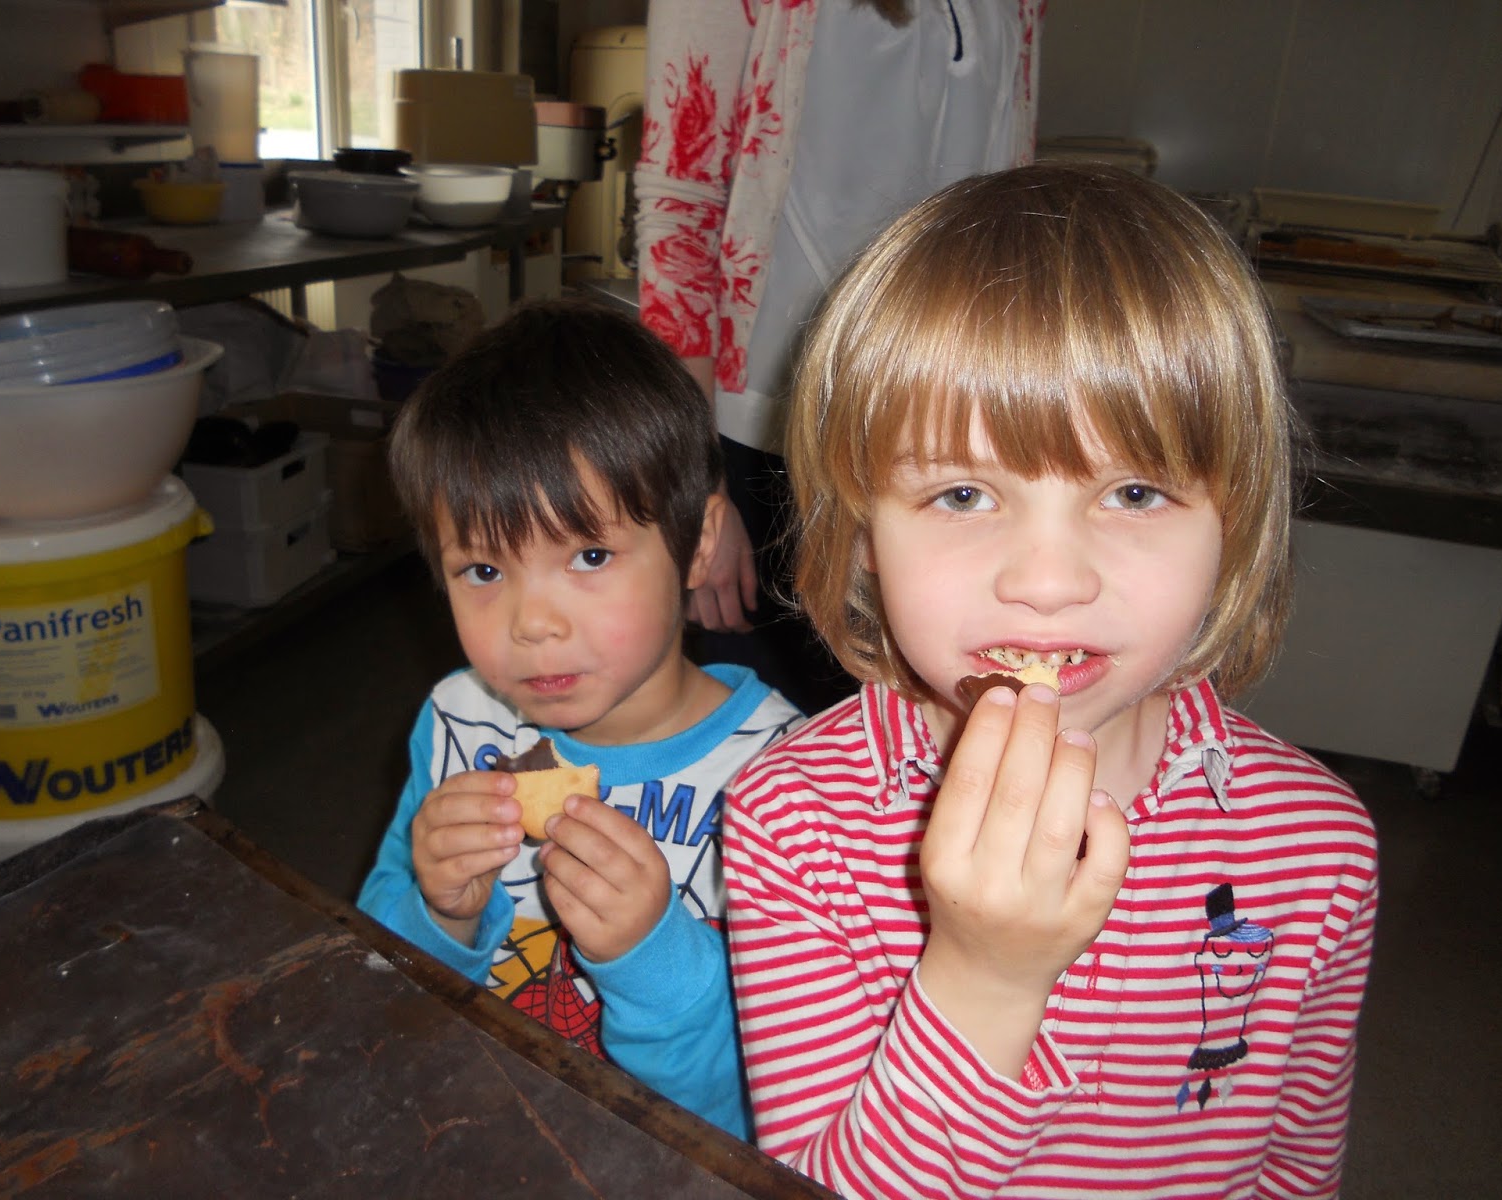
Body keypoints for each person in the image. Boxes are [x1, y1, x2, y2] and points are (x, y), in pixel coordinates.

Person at [722, 163, 1380, 1197]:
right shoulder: (790, 822)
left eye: (1131, 490)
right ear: (858, 540)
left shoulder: (1318, 846)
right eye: (959, 493)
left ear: (1234, 531)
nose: (1046, 582)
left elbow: (1297, 1161)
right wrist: (984, 977)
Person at [358, 299, 803, 1139]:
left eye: (589, 556)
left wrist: (651, 954)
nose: (532, 623)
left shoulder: (784, 778)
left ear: (701, 542)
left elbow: (772, 1108)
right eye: (482, 568)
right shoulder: (461, 722)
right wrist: (439, 909)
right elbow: (379, 977)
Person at [635, 0, 1044, 714]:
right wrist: (693, 484)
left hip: (952, 433)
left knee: (926, 739)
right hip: (766, 441)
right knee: (769, 759)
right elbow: (680, 205)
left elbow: (1013, 202)